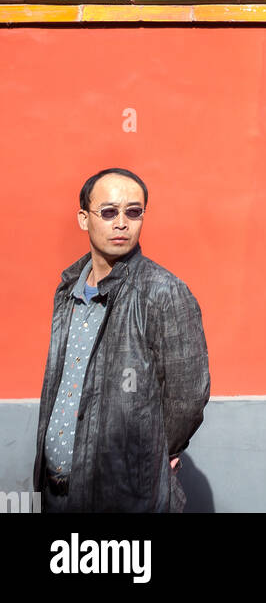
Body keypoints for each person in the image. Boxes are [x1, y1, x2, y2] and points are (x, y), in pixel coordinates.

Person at [33, 167, 210, 513]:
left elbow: (188, 396)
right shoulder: (67, 289)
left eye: (133, 212)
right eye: (109, 211)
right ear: (84, 219)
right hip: (55, 492)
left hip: (124, 496)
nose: (121, 223)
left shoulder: (164, 291)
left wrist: (151, 456)